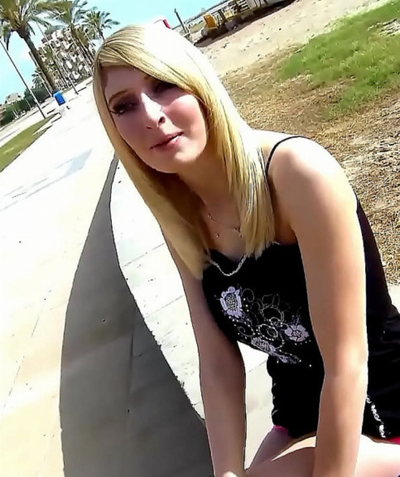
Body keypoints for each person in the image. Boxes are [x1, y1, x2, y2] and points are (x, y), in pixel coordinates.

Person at [93, 23, 400, 477]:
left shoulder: (296, 174)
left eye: (163, 85)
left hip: (378, 404)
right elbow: (217, 362)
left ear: (199, 85)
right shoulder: (179, 216)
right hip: (299, 414)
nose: (151, 115)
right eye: (124, 106)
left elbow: (348, 363)